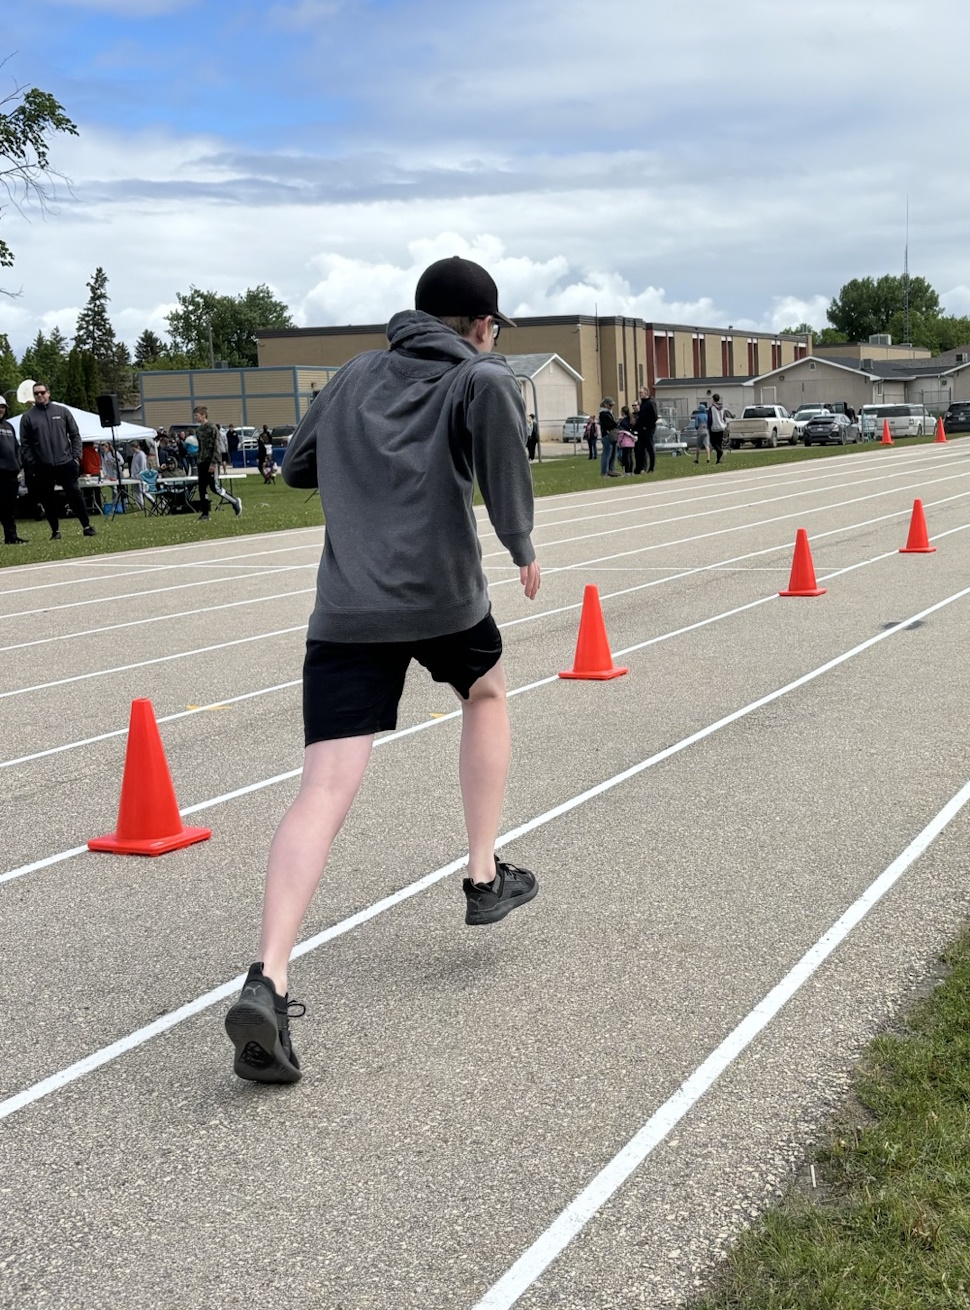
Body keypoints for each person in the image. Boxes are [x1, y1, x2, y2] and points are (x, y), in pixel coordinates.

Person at [224, 254, 541, 1084]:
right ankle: (482, 873)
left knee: (323, 788)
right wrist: (520, 543)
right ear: (481, 324)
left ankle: (269, 977)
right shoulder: (480, 376)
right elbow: (500, 435)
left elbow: (297, 466)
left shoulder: (355, 374)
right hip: (442, 600)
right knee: (486, 691)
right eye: (493, 327)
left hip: (348, 607)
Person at [17, 382, 95, 540]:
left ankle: (87, 526)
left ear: (48, 393)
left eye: (42, 392)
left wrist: (76, 458)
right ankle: (55, 531)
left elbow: (75, 435)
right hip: (42, 466)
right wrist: (33, 463)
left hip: (66, 462)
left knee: (74, 493)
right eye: (36, 393)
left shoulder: (62, 411)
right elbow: (25, 444)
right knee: (47, 499)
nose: (40, 395)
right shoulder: (28, 417)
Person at [193, 406, 242, 521]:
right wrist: (198, 460)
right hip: (202, 461)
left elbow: (216, 446)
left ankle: (234, 501)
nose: (195, 417)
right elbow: (200, 446)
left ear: (203, 415)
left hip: (211, 461)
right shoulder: (198, 430)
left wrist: (214, 463)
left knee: (215, 487)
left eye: (197, 415)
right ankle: (205, 513)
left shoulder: (212, 428)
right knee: (202, 488)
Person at [0, 397, 28, 545]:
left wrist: (19, 464)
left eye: (3, 407)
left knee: (9, 507)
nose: (0, 410)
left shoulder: (9, 426)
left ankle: (11, 536)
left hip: (11, 473)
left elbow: (16, 448)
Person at [634, 386, 659, 475]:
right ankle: (641, 468)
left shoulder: (650, 402)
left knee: (650, 449)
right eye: (639, 393)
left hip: (648, 429)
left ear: (646, 393)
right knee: (641, 449)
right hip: (641, 430)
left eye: (641, 392)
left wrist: (647, 426)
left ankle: (651, 468)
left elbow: (654, 416)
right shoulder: (642, 403)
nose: (640, 394)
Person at [598, 397, 620, 477]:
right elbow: (606, 425)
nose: (611, 406)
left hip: (613, 435)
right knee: (607, 454)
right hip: (607, 435)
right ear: (605, 404)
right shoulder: (603, 413)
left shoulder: (610, 413)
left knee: (613, 454)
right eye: (610, 405)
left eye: (612, 405)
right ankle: (604, 472)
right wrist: (615, 423)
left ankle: (611, 470)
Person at [708, 393, 729, 464]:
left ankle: (720, 452)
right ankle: (718, 460)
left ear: (713, 399)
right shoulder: (722, 407)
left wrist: (709, 426)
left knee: (713, 442)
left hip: (714, 427)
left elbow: (710, 418)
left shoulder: (712, 408)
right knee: (719, 444)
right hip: (721, 427)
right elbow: (724, 417)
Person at [616, 405, 635, 475]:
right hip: (631, 441)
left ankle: (627, 471)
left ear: (623, 412)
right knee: (630, 456)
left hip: (624, 441)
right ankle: (631, 471)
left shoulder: (623, 422)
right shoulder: (631, 420)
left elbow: (621, 433)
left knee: (626, 457)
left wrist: (619, 442)